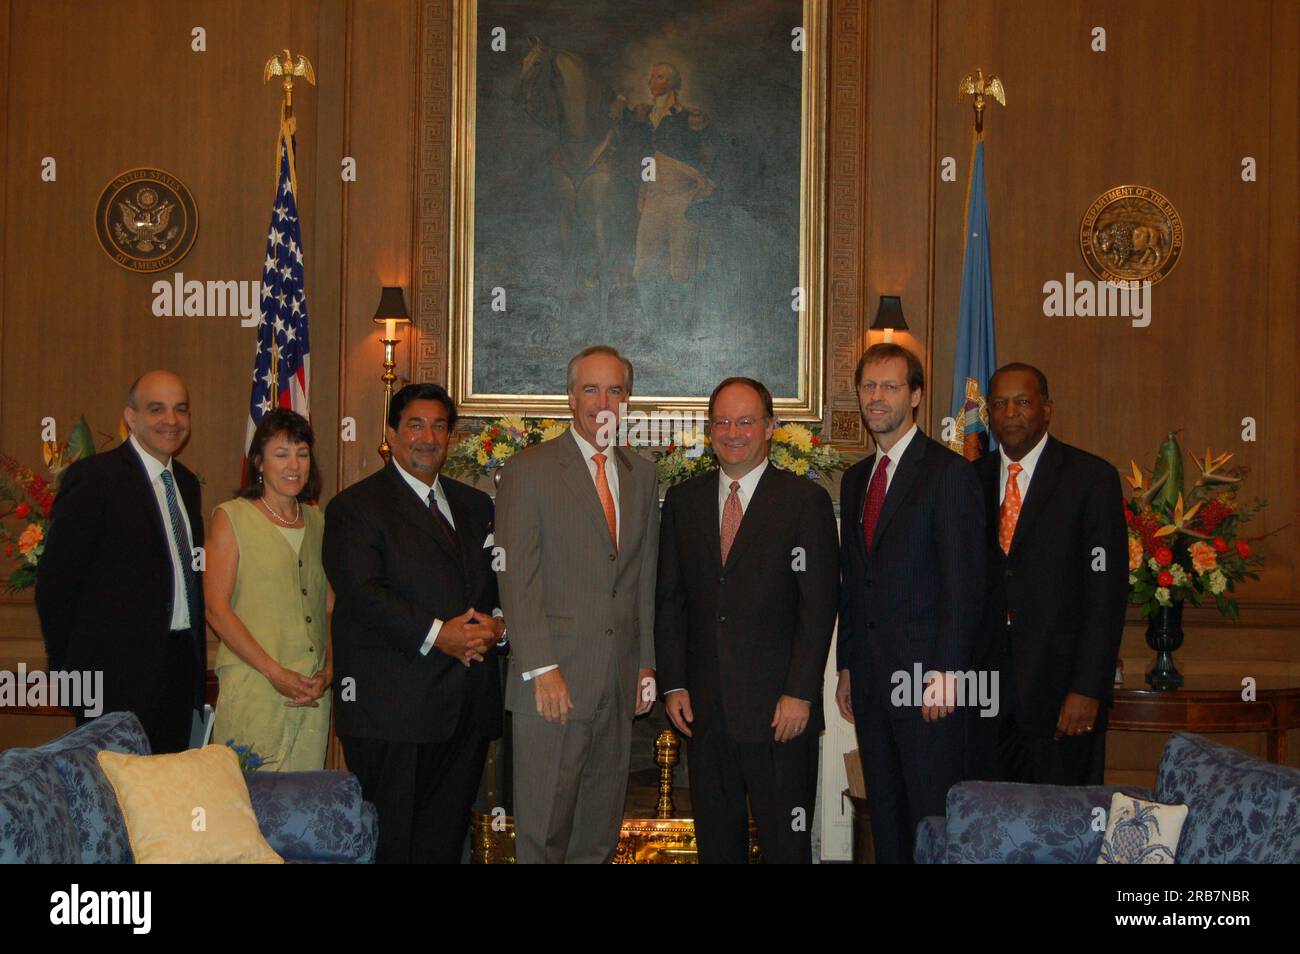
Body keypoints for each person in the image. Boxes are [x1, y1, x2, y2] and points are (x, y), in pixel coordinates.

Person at [656, 378, 838, 863]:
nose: (732, 432)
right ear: (709, 428)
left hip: (781, 714)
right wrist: (674, 684)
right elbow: (670, 601)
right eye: (722, 421)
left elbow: (818, 607)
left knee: (785, 844)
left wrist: (800, 691)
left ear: (770, 427)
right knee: (717, 844)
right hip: (704, 712)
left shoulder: (805, 502)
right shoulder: (683, 502)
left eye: (745, 421)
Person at [323, 383, 505, 863]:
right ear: (392, 433)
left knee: (443, 845)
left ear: (452, 437)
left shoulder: (476, 506)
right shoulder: (354, 508)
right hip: (393, 711)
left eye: (440, 427)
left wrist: (497, 626)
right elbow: (364, 594)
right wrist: (439, 634)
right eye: (416, 425)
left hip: (466, 708)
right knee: (395, 847)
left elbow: (495, 586)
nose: (428, 437)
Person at [495, 344, 659, 863]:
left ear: (626, 400)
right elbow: (517, 579)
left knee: (598, 834)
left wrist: (645, 665)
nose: (602, 400)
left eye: (614, 389)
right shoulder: (528, 470)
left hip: (617, 682)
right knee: (543, 834)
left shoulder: (641, 474)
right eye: (591, 388)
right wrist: (542, 667)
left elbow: (643, 582)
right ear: (570, 397)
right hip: (553, 685)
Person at [834, 343, 985, 864]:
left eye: (890, 387)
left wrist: (948, 671)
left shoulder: (947, 473)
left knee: (933, 820)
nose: (877, 398)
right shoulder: (856, 480)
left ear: (916, 395)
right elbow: (854, 583)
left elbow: (965, 584)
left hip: (928, 684)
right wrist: (848, 666)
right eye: (869, 387)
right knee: (889, 819)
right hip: (872, 683)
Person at [36, 370, 205, 754]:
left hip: (179, 672)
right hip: (112, 680)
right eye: (157, 409)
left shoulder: (188, 484)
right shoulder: (95, 479)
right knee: (113, 800)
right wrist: (69, 674)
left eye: (181, 409)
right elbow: (55, 584)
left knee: (165, 797)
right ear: (131, 417)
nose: (171, 420)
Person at [975, 363, 1128, 785]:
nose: (1010, 413)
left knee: (1064, 827)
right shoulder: (969, 480)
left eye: (1023, 402)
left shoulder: (1091, 479)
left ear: (1047, 409)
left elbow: (1106, 595)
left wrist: (1088, 688)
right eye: (999, 404)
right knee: (990, 823)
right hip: (985, 698)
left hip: (1062, 696)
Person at [204, 409, 331, 771]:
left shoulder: (320, 522)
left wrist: (329, 674)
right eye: (281, 454)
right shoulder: (231, 517)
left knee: (302, 811)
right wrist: (275, 673)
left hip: (311, 696)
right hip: (255, 689)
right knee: (248, 808)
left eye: (302, 454)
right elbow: (216, 609)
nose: (294, 464)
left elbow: (331, 609)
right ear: (259, 461)